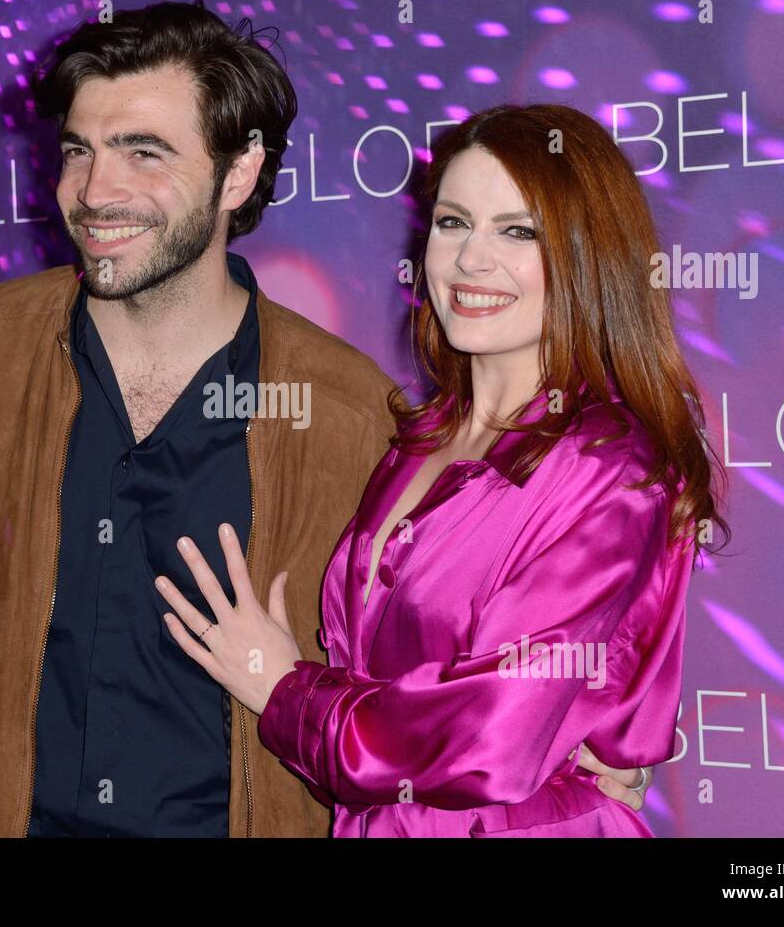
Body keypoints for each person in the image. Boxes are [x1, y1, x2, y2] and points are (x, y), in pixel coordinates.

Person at [0, 3, 652, 838]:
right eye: (79, 149)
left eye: (143, 152)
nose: (95, 191)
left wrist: (566, 739)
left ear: (239, 172)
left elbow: (427, 668)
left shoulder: (349, 411)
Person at [157, 102, 729, 836]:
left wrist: (284, 690)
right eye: (453, 222)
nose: (469, 260)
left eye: (518, 231)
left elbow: (493, 729)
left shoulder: (608, 469)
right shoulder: (419, 442)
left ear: (591, 259)